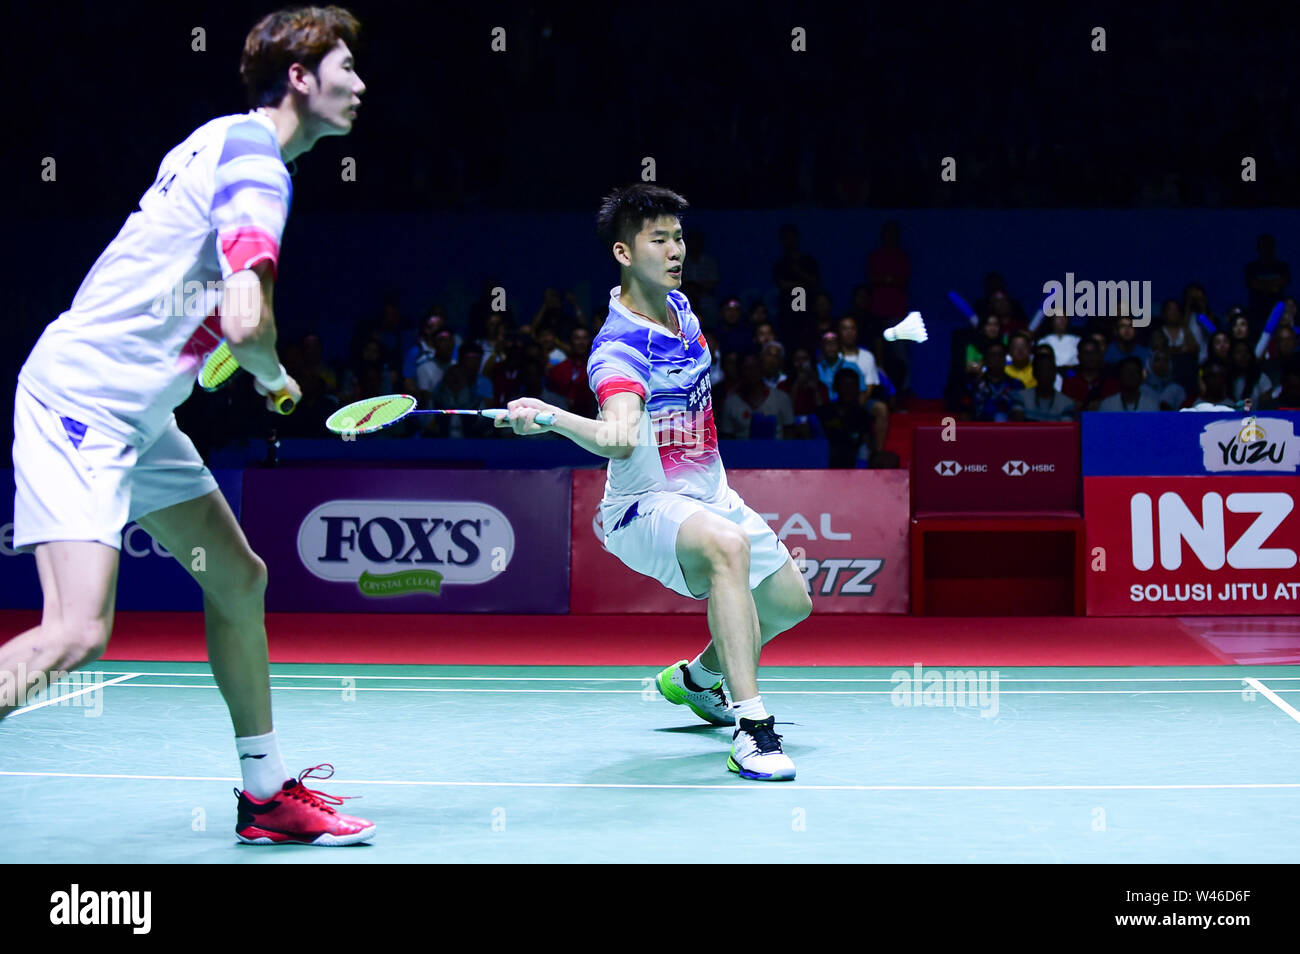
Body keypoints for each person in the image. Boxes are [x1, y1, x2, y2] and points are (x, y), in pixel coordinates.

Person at [2, 5, 373, 845]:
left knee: (238, 580)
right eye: (347, 67)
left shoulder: (214, 141)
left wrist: (227, 346)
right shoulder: (259, 166)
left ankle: (264, 792)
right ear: (300, 76)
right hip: (84, 404)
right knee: (74, 634)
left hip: (139, 417)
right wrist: (274, 373)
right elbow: (246, 319)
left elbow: (193, 288)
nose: (361, 84)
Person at [496, 184, 812, 780]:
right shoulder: (618, 349)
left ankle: (699, 679)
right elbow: (618, 438)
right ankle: (752, 732)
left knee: (791, 606)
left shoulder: (681, 308)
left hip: (710, 491)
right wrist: (551, 417)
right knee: (728, 549)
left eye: (679, 238)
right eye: (659, 239)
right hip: (645, 505)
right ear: (623, 251)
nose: (676, 251)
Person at [815, 368, 874, 467]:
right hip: (825, 461)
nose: (848, 390)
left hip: (853, 463)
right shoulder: (823, 412)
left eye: (852, 386)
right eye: (844, 386)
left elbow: (867, 443)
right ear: (836, 387)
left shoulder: (863, 415)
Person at [1012, 348, 1075, 421]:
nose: (1045, 375)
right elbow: (1018, 427)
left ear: (1054, 373)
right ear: (1034, 373)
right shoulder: (1020, 397)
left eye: (1049, 370)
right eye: (1041, 370)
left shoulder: (1066, 403)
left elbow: (1065, 431)